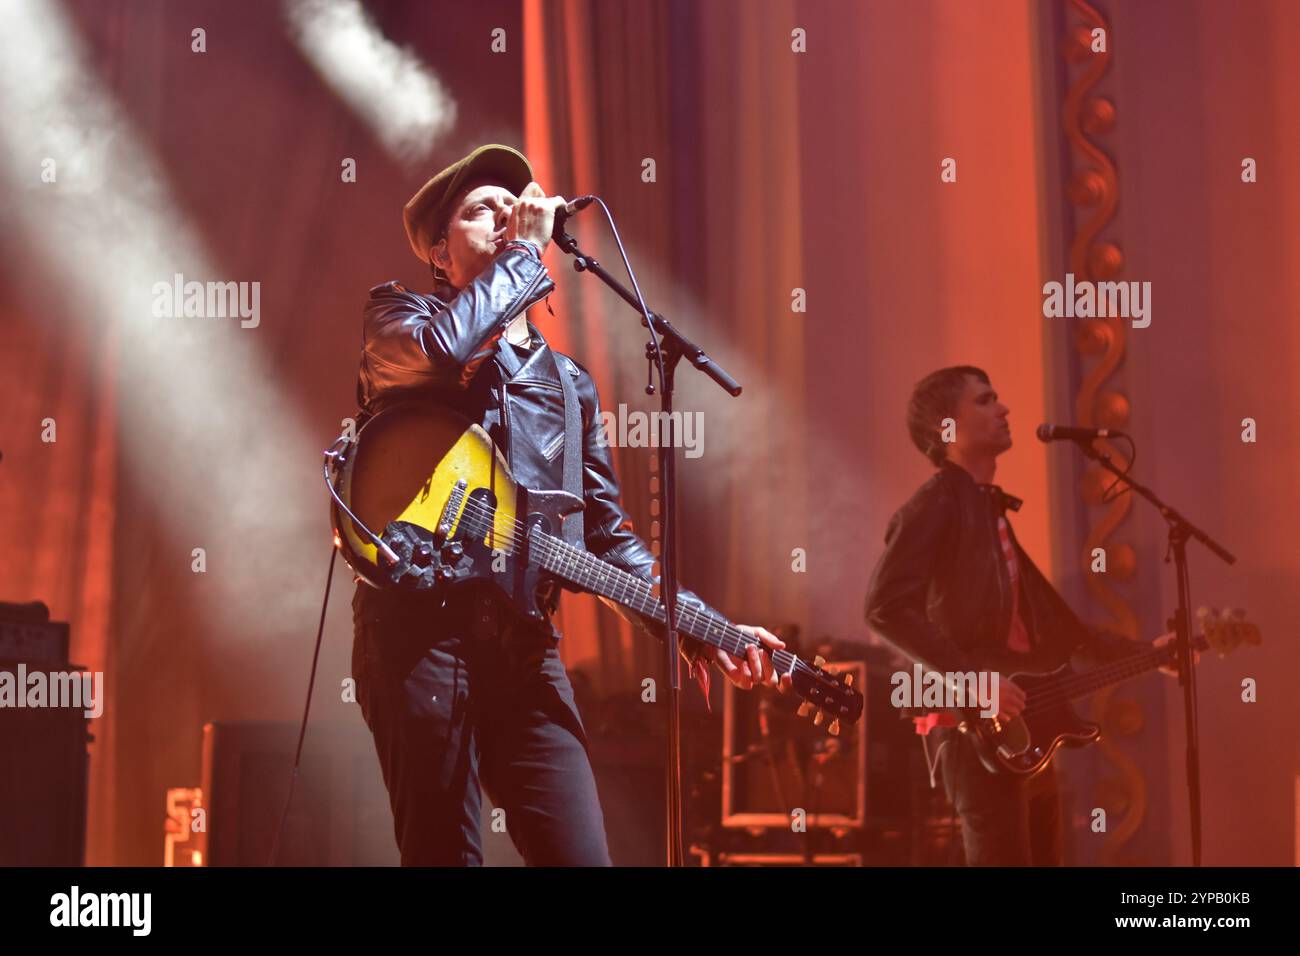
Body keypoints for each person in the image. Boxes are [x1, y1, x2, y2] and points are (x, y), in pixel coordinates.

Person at [351, 144, 788, 866]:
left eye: (512, 205)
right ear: (438, 251)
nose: (504, 216)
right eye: (478, 211)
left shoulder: (566, 384)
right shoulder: (396, 318)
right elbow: (442, 347)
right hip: (419, 637)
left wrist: (703, 625)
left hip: (524, 650)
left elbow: (607, 543)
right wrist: (522, 259)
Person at [864, 365, 1180, 866]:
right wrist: (975, 682)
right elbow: (883, 607)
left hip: (1024, 729)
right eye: (986, 401)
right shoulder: (936, 506)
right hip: (975, 733)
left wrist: (1151, 654)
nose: (1004, 409)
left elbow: (1067, 633)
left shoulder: (989, 515)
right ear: (947, 429)